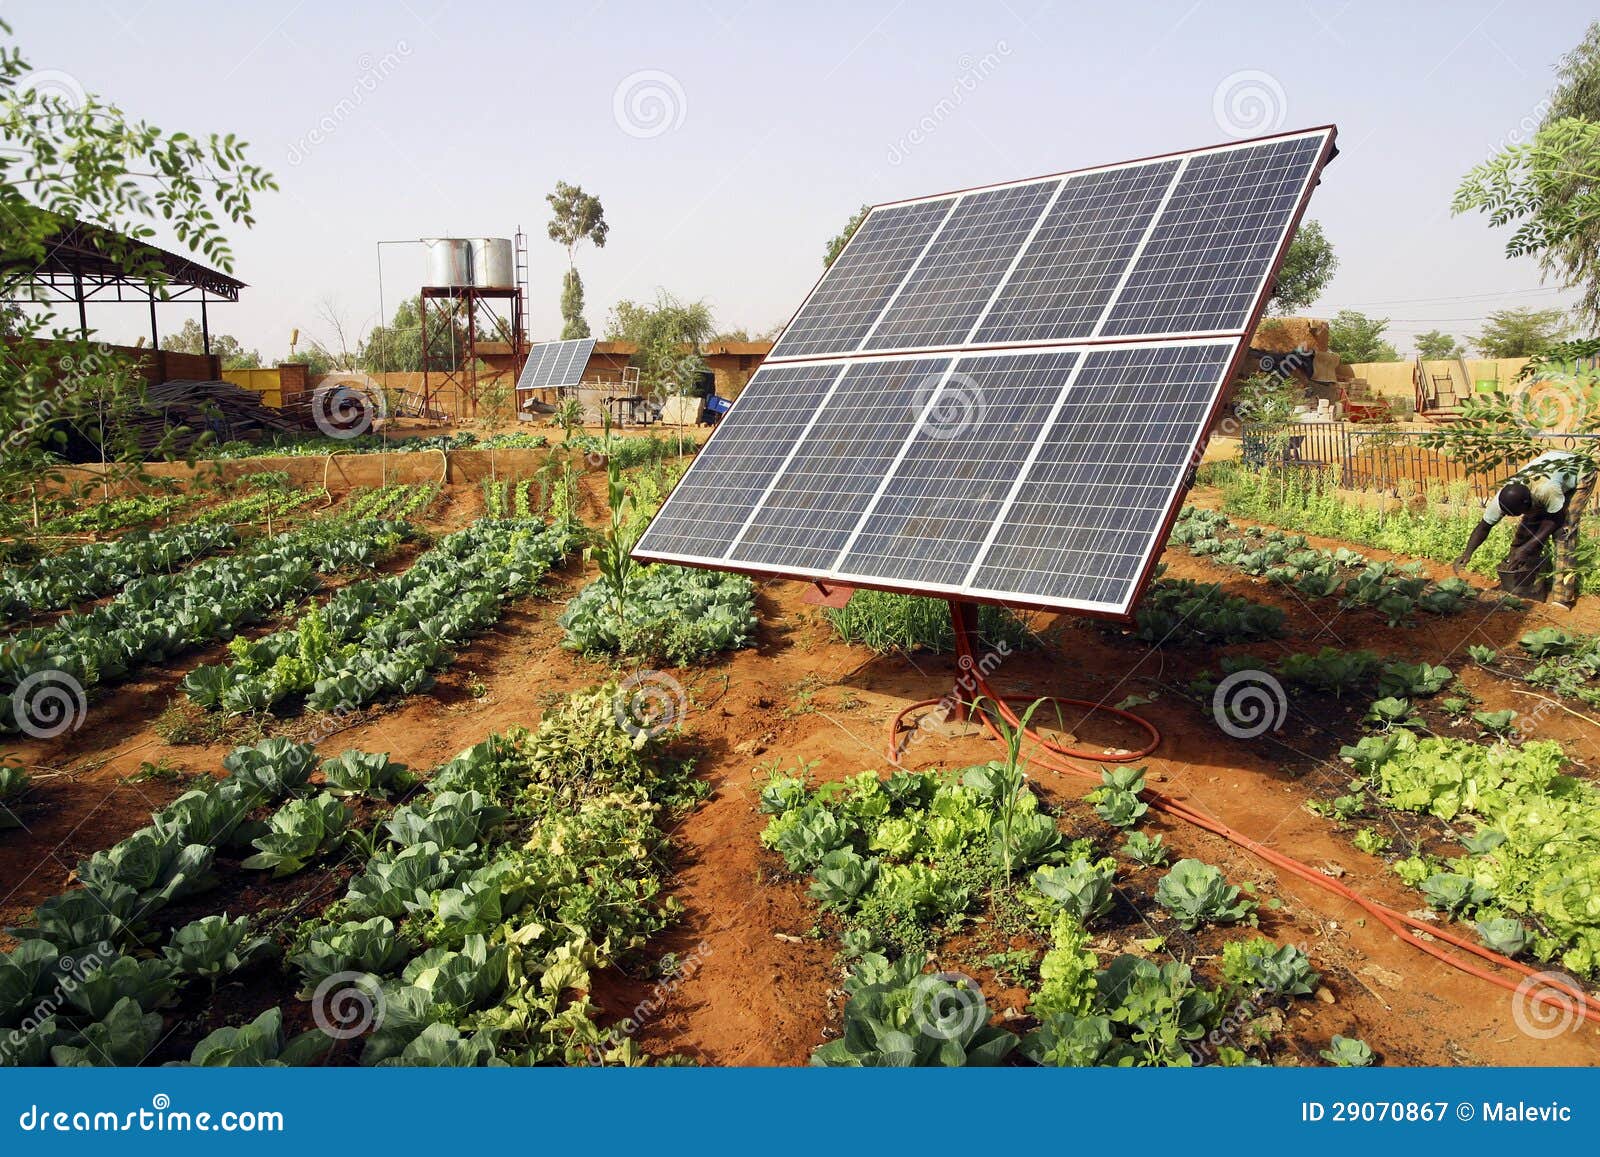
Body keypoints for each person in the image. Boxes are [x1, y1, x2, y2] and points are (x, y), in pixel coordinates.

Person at [1454, 448, 1596, 608]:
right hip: (1550, 464)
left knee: (1564, 532)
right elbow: (1484, 527)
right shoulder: (1503, 498)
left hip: (1580, 470)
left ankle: (1562, 598)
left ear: (1528, 502)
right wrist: (1467, 553)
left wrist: (1528, 548)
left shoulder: (1547, 489)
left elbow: (1555, 520)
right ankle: (1521, 583)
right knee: (1527, 527)